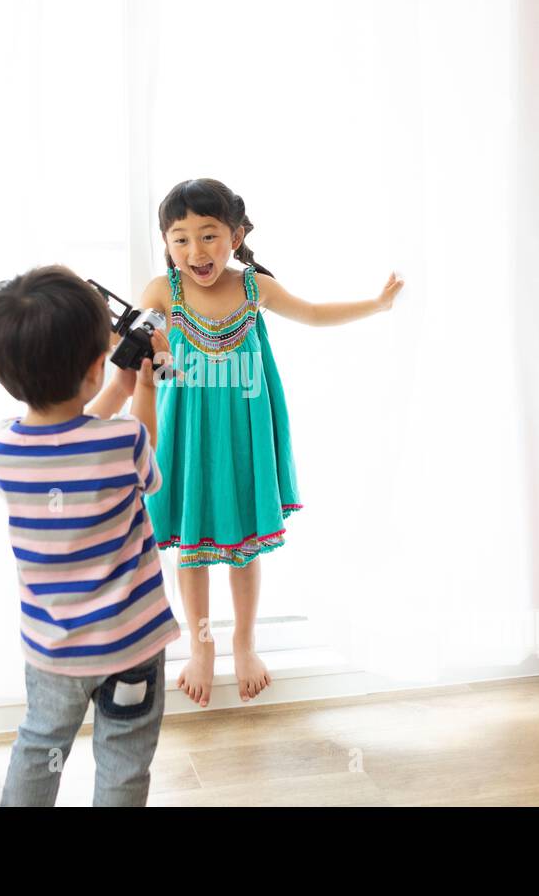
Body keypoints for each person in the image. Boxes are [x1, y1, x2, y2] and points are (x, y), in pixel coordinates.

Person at [140, 178, 404, 707]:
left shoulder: (255, 287)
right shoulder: (161, 293)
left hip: (243, 432)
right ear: (167, 244)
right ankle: (201, 643)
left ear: (235, 236)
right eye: (182, 238)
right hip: (187, 436)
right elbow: (139, 355)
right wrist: (151, 352)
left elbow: (311, 312)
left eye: (210, 235)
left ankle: (244, 640)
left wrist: (375, 305)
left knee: (242, 542)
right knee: (191, 544)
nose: (197, 250)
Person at [0, 264, 177, 806]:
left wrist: (113, 386)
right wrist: (144, 387)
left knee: (40, 745)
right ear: (94, 366)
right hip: (130, 642)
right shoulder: (125, 441)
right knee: (124, 756)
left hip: (54, 648)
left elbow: (70, 438)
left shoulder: (2, 451)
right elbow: (144, 464)